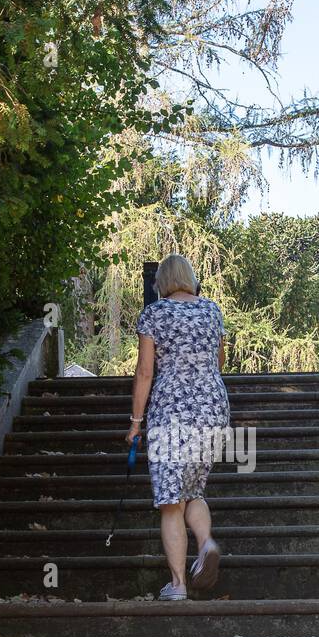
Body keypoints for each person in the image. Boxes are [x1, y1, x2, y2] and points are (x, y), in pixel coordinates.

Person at [128, 254, 230, 600]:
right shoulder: (212, 311)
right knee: (195, 490)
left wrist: (135, 422)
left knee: (171, 501)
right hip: (212, 406)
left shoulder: (154, 313)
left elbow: (145, 372)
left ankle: (178, 585)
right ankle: (206, 543)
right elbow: (218, 361)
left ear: (162, 282)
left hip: (171, 409)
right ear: (190, 277)